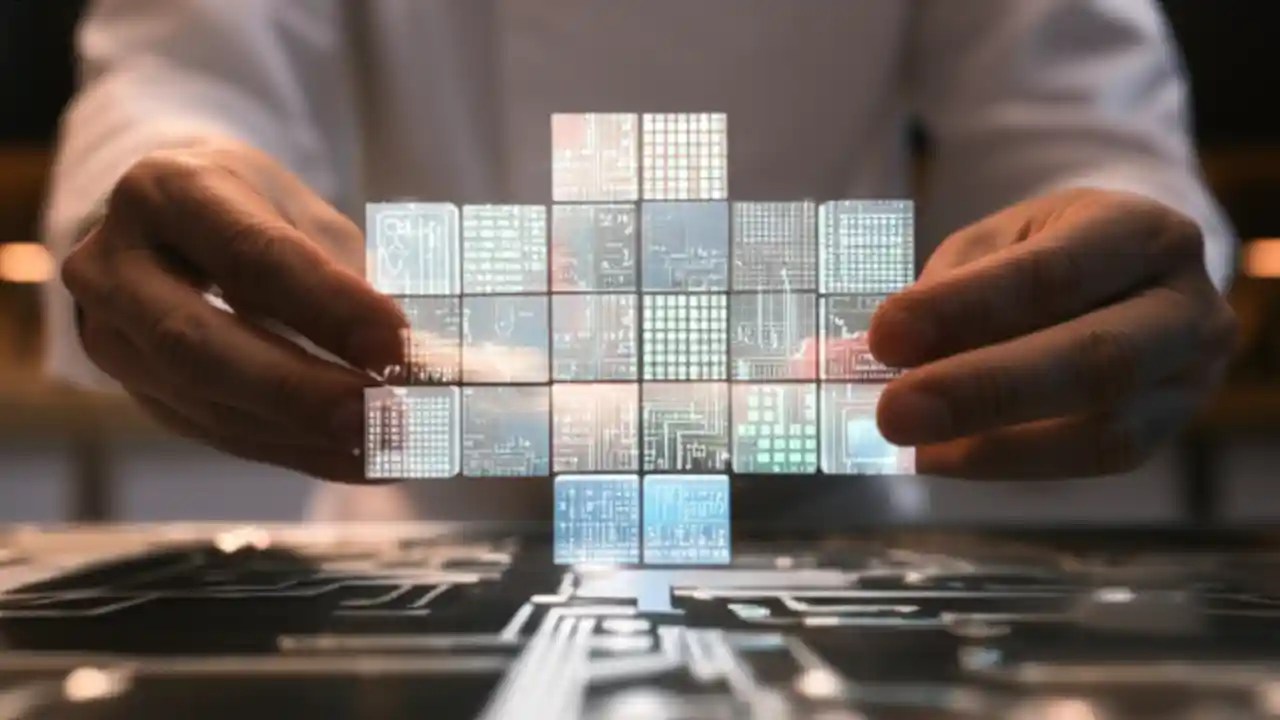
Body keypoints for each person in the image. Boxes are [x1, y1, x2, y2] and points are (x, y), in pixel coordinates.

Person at [44, 1, 1238, 522]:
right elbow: (186, 73)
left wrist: (1113, 255)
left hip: (822, 514)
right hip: (415, 505)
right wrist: (170, 197)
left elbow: (1077, 129)